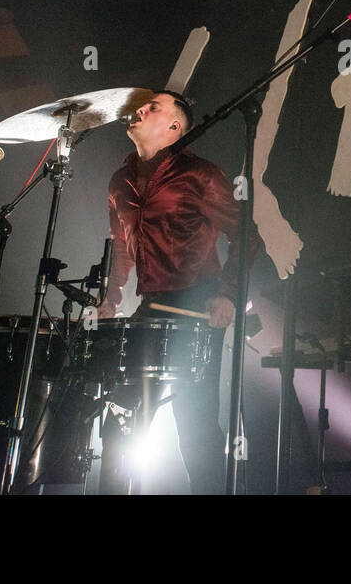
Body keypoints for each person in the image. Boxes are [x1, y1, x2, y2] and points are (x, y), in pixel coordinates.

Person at [97, 90, 249, 494]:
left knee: (195, 424)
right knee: (120, 418)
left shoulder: (201, 175)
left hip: (198, 303)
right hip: (152, 307)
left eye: (154, 107)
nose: (141, 109)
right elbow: (120, 246)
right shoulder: (119, 181)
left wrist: (229, 295)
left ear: (174, 127)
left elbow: (247, 235)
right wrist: (110, 299)